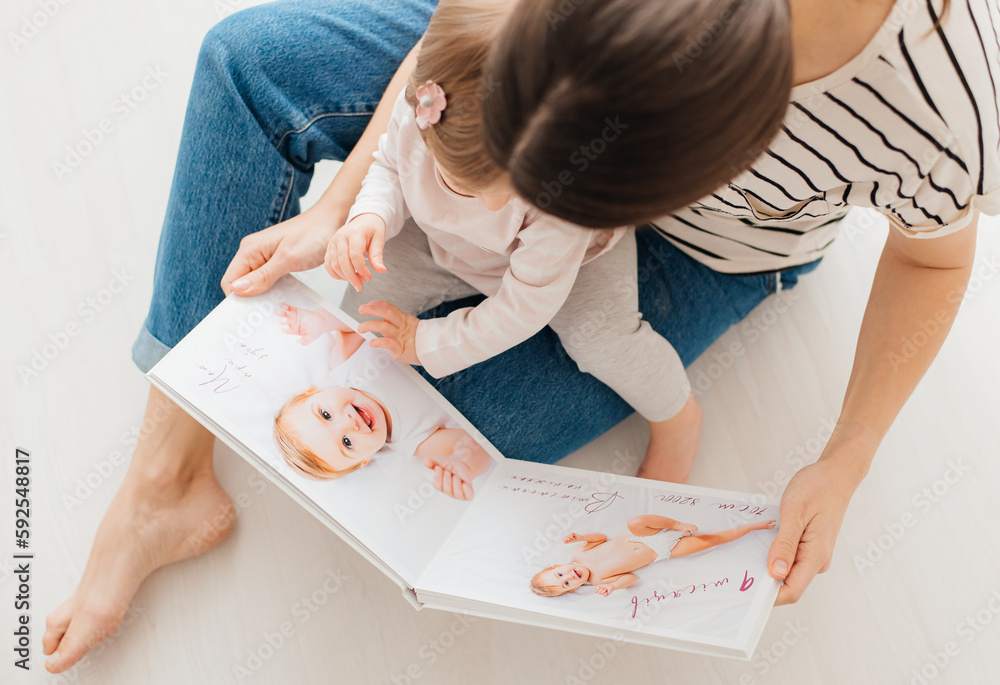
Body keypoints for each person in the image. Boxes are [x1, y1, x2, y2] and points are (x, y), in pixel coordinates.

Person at [42, 0, 998, 674]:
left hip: (690, 247)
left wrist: (848, 455)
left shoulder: (946, 104)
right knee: (250, 60)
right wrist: (342, 198)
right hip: (499, 100)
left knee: (430, 434)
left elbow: (935, 260)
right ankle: (164, 481)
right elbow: (442, 55)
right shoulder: (518, 70)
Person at [329, 0, 698, 483]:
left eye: (498, 191)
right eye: (458, 181)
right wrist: (370, 216)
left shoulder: (562, 201)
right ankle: (340, 387)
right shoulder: (422, 106)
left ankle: (678, 419)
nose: (482, 205)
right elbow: (389, 166)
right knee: (361, 309)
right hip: (439, 242)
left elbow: (525, 307)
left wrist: (430, 342)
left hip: (569, 268)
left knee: (602, 340)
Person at [273, 303, 493, 498]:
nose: (350, 422)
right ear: (365, 459)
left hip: (431, 315)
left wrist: (322, 320)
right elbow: (469, 443)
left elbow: (354, 320)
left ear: (315, 392)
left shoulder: (346, 364)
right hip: (476, 360)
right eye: (347, 443)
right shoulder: (410, 440)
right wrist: (464, 465)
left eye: (326, 415)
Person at [530, 516, 777, 597]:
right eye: (566, 584)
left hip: (642, 538)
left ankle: (676, 524)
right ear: (572, 590)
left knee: (635, 522)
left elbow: (600, 539)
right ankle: (754, 527)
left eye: (560, 573)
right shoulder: (596, 581)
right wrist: (613, 586)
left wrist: (582, 536)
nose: (569, 577)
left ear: (556, 564)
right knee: (711, 541)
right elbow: (630, 578)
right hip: (663, 552)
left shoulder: (579, 553)